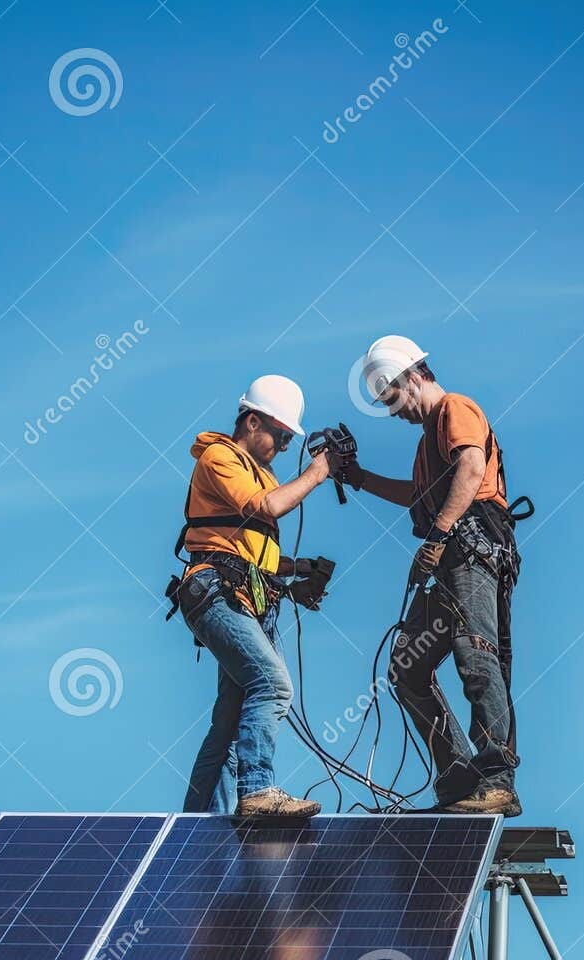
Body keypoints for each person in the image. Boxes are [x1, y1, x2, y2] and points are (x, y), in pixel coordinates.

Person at [341, 336, 524, 817]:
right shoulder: (427, 443)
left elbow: (470, 467)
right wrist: (358, 477)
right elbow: (415, 494)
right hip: (450, 560)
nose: (394, 411)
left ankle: (496, 777)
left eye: (393, 398)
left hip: (469, 553)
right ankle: (459, 780)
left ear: (413, 376)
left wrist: (439, 536)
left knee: (476, 657)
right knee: (407, 667)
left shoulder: (454, 409)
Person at [173, 374, 333, 819]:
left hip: (244, 597)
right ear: (252, 421)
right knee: (274, 684)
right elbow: (265, 508)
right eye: (281, 436)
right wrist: (318, 473)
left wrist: (299, 574)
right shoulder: (220, 457)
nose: (284, 446)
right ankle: (258, 790)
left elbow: (251, 555)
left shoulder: (260, 473)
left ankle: (197, 827)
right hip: (215, 592)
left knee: (230, 723)